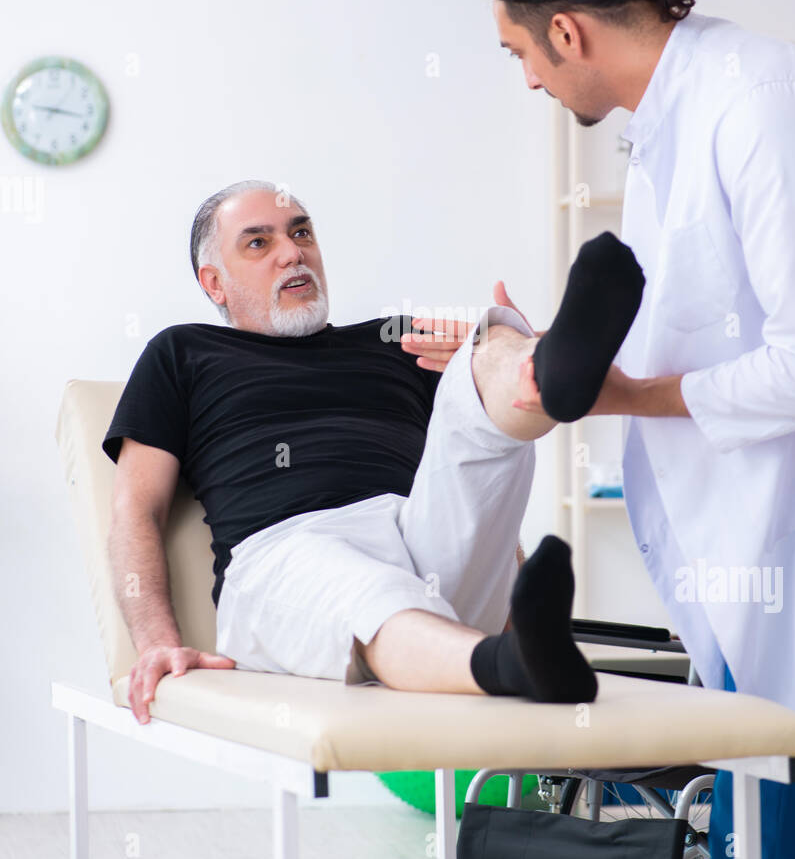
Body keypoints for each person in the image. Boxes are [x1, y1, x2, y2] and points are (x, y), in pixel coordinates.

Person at [450, 0, 795, 859]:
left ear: (568, 32)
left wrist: (624, 398)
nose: (531, 82)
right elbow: (660, 334)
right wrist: (531, 353)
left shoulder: (766, 100)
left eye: (520, 55)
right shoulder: (669, 127)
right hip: (759, 635)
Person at [103, 180, 644, 733]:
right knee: (370, 589)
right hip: (290, 551)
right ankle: (512, 664)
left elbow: (478, 452)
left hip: (423, 536)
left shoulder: (393, 339)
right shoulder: (183, 352)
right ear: (214, 283)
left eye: (301, 232)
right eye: (259, 243)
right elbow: (134, 509)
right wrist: (157, 645)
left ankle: (546, 367)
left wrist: (503, 347)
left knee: (477, 356)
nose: (293, 251)